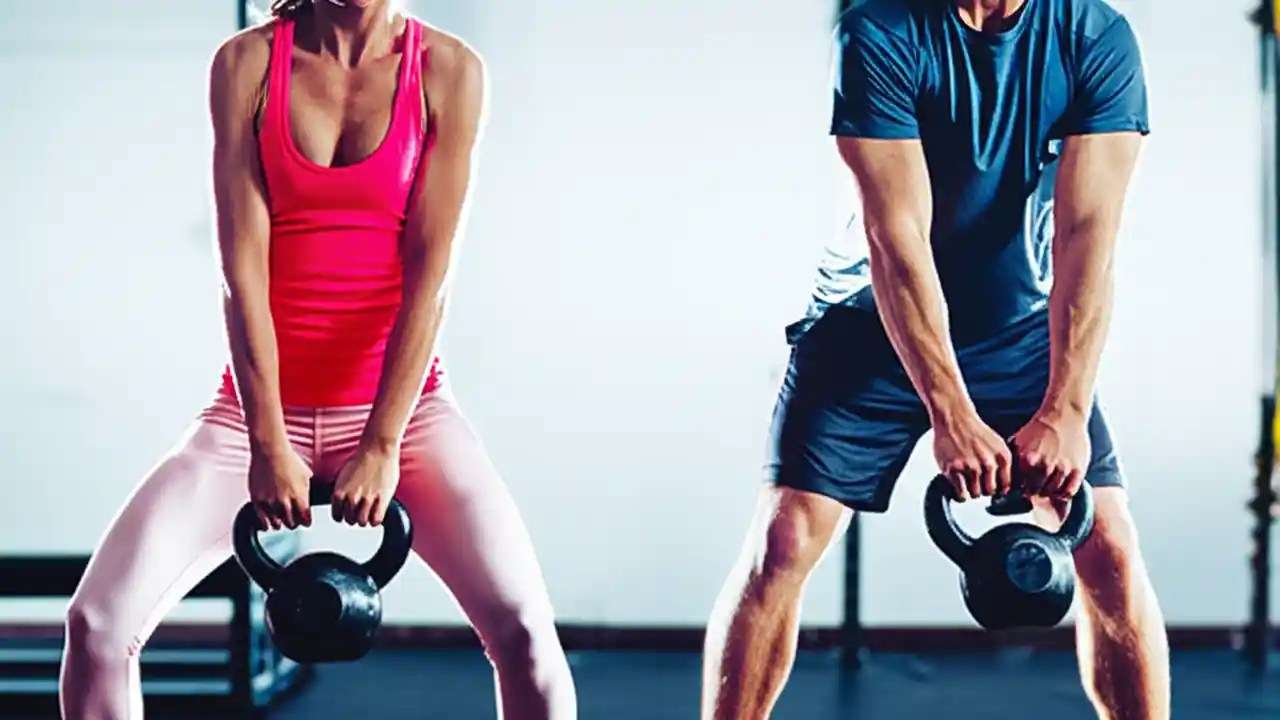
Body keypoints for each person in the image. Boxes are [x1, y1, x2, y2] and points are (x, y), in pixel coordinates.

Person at [58, 1, 577, 718]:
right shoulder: (248, 64)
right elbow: (241, 276)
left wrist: (383, 444)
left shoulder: (448, 70)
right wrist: (268, 441)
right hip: (254, 416)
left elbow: (430, 281)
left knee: (524, 632)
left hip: (405, 414)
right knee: (97, 625)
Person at [701, 0, 1170, 718]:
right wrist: (951, 413)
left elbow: (1088, 237)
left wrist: (1067, 410)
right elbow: (897, 240)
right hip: (870, 322)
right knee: (784, 538)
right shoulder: (880, 33)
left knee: (1108, 545)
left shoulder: (1094, 37)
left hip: (1019, 330)